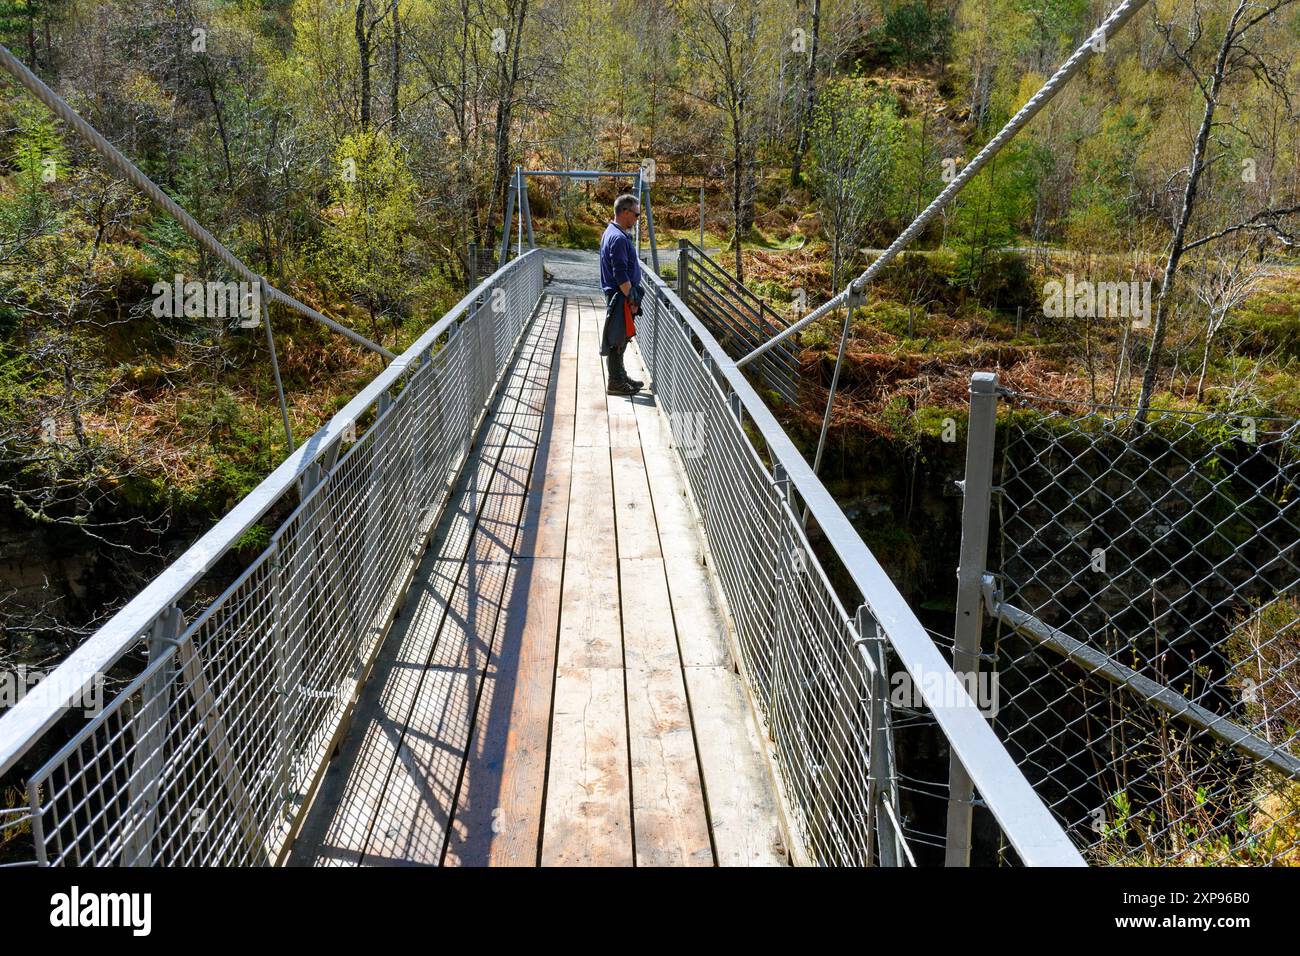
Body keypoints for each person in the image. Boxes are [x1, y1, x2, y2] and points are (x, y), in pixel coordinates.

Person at [598, 193, 646, 396]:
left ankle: (620, 376)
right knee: (618, 340)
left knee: (621, 338)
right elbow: (620, 273)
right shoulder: (617, 238)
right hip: (620, 297)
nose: (637, 219)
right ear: (625, 212)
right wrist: (632, 297)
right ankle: (615, 382)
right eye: (636, 214)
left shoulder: (613, 232)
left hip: (619, 296)